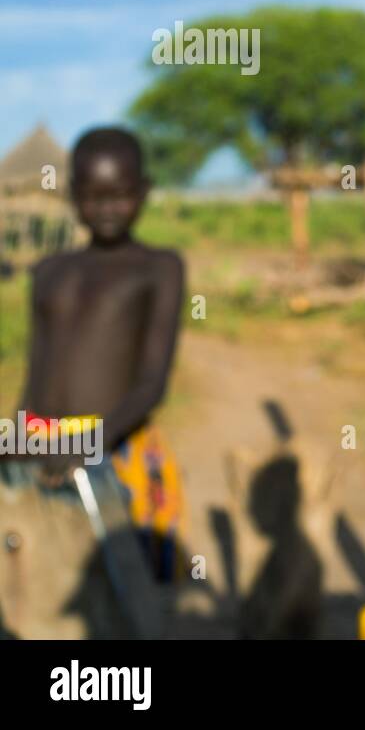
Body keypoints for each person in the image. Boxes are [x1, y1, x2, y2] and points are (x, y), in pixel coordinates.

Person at [18, 126, 185, 582]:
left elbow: (152, 382)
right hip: (43, 446)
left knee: (125, 598)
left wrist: (85, 445)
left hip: (116, 450)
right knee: (45, 585)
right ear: (73, 194)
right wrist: (16, 441)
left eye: (121, 194)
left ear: (144, 191)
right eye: (93, 196)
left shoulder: (159, 267)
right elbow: (36, 373)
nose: (107, 207)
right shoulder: (49, 272)